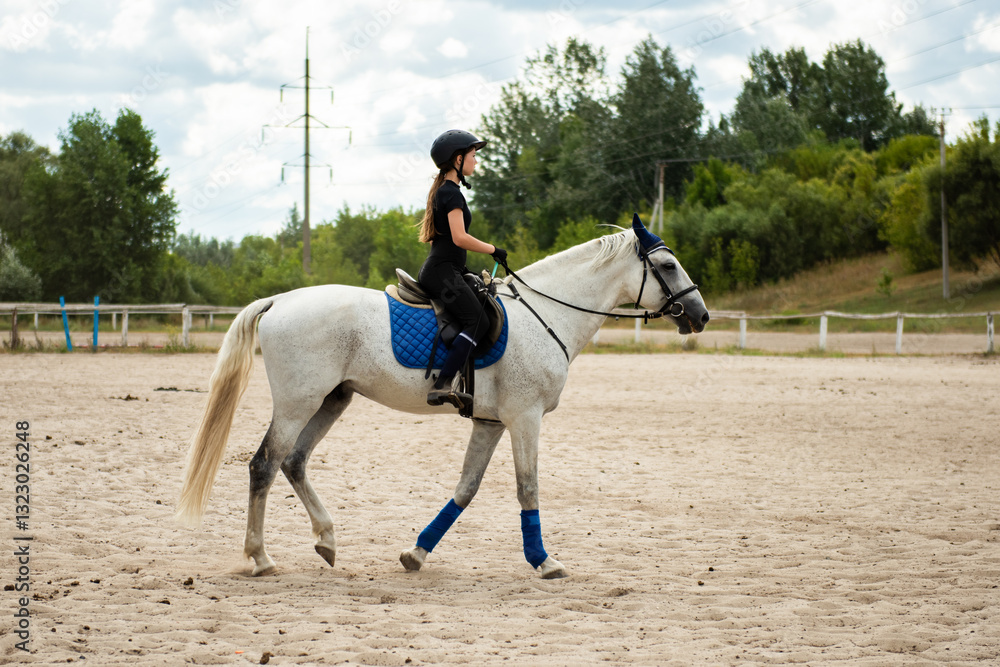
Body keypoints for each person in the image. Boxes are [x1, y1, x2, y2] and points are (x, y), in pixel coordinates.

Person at [417, 130, 507, 409]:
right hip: (441, 273)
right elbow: (459, 238)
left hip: (448, 269)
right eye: (473, 156)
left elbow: (452, 245)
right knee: (478, 321)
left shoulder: (446, 191)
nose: (476, 162)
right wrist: (493, 249)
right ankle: (442, 384)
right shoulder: (451, 194)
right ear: (458, 159)